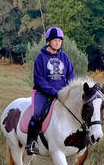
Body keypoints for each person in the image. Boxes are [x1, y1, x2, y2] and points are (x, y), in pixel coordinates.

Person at [25, 27, 74, 156]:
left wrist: (67, 90)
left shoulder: (64, 57)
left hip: (62, 93)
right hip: (42, 93)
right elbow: (39, 80)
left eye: (60, 40)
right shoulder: (40, 58)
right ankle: (31, 143)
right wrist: (54, 92)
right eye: (55, 40)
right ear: (48, 41)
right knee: (37, 114)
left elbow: (71, 76)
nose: (58, 43)